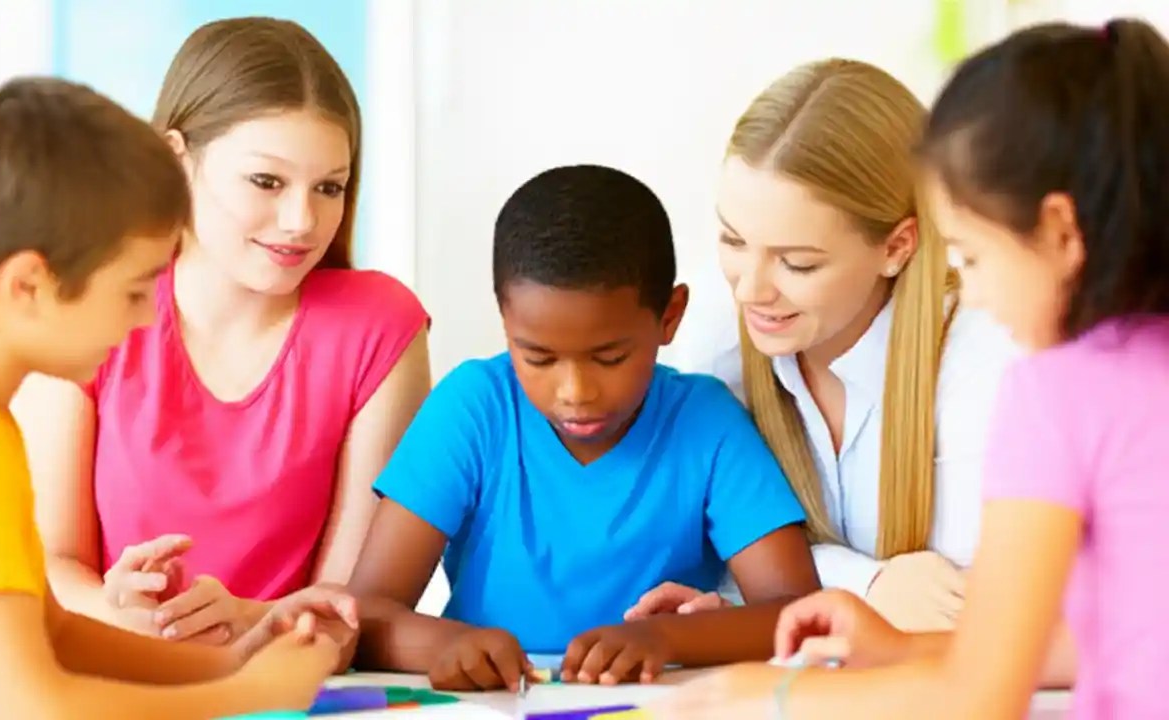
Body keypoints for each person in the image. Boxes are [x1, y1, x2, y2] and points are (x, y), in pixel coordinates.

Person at [648, 17, 1169, 720]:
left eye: (974, 257)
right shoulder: (716, 342)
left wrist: (776, 694)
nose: (971, 289)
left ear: (1060, 233)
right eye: (733, 241)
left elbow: (983, 688)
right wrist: (890, 640)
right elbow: (1092, 639)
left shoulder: (1044, 388)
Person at [0, 76, 359, 719]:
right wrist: (249, 695)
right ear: (30, 284)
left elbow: (54, 633)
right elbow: (35, 708)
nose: (146, 321)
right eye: (135, 290)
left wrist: (230, 660)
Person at [13, 17, 431, 646]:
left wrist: (252, 620)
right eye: (267, 181)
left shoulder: (381, 329)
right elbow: (48, 566)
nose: (301, 220)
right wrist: (117, 611)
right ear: (177, 160)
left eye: (329, 188)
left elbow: (351, 606)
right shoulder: (83, 304)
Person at [346, 164, 820, 692]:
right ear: (505, 321)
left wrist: (666, 639)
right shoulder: (473, 408)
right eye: (538, 357)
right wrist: (446, 645)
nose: (575, 391)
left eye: (610, 357)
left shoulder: (706, 423)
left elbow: (797, 611)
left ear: (669, 317)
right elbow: (362, 615)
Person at [626, 57, 1021, 634]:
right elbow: (716, 548)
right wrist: (865, 583)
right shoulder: (715, 338)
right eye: (733, 239)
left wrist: (782, 591)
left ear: (897, 247)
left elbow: (959, 604)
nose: (752, 289)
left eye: (797, 262)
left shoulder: (983, 365)